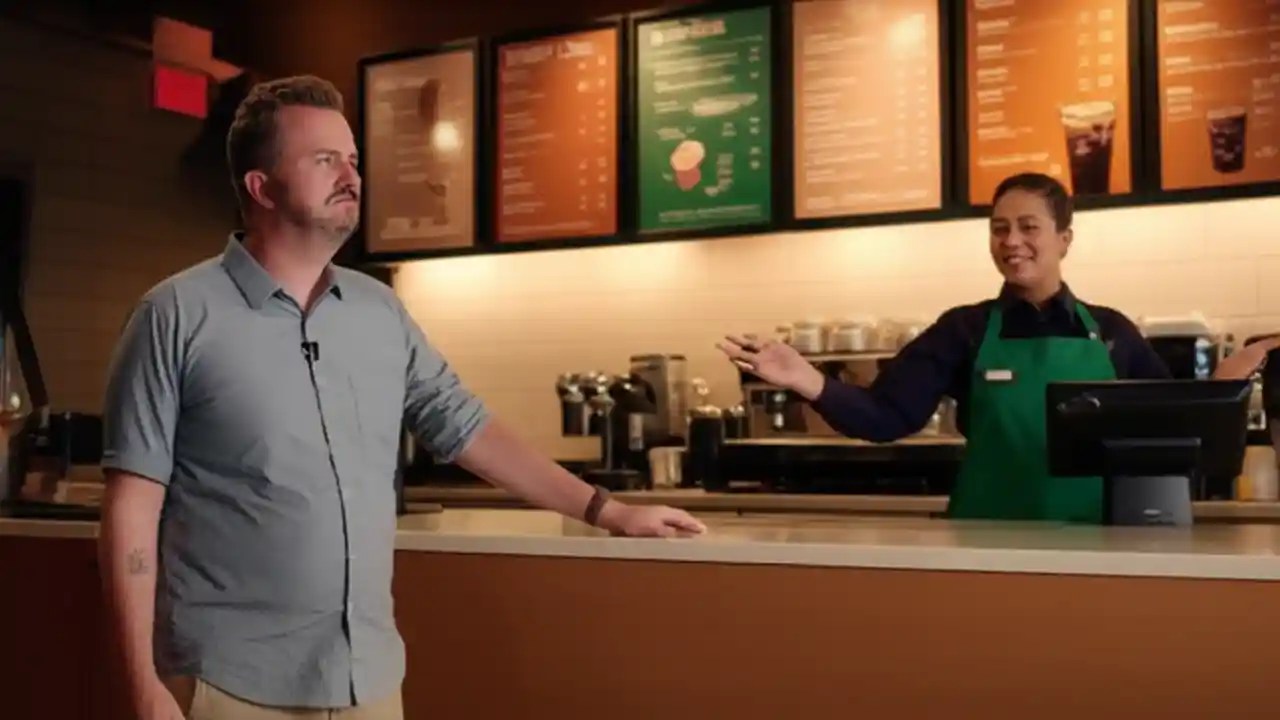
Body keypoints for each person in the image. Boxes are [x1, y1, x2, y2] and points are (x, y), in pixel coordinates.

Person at [98, 75, 705, 720]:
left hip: (368, 681)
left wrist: (606, 511)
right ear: (260, 185)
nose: (352, 175)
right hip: (227, 685)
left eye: (353, 159)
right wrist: (141, 684)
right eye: (324, 159)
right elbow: (131, 512)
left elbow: (468, 428)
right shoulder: (175, 315)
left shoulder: (379, 312)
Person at [719, 172, 1279, 523]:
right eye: (998, 228)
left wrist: (1218, 390)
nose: (1011, 242)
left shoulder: (1112, 333)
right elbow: (887, 417)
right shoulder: (964, 330)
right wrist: (805, 379)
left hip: (1099, 547)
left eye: (1029, 227)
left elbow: (1168, 440)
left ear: (1064, 239)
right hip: (983, 543)